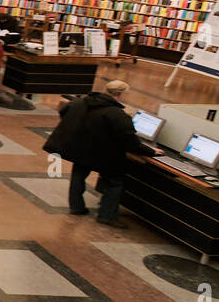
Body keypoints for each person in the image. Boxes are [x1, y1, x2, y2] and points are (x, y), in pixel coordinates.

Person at [44, 80, 161, 227]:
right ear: (120, 94)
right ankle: (107, 216)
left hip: (80, 148)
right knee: (115, 182)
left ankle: (76, 207)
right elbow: (130, 141)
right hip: (104, 155)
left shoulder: (81, 102)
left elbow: (64, 112)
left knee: (78, 175)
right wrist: (151, 151)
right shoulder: (117, 114)